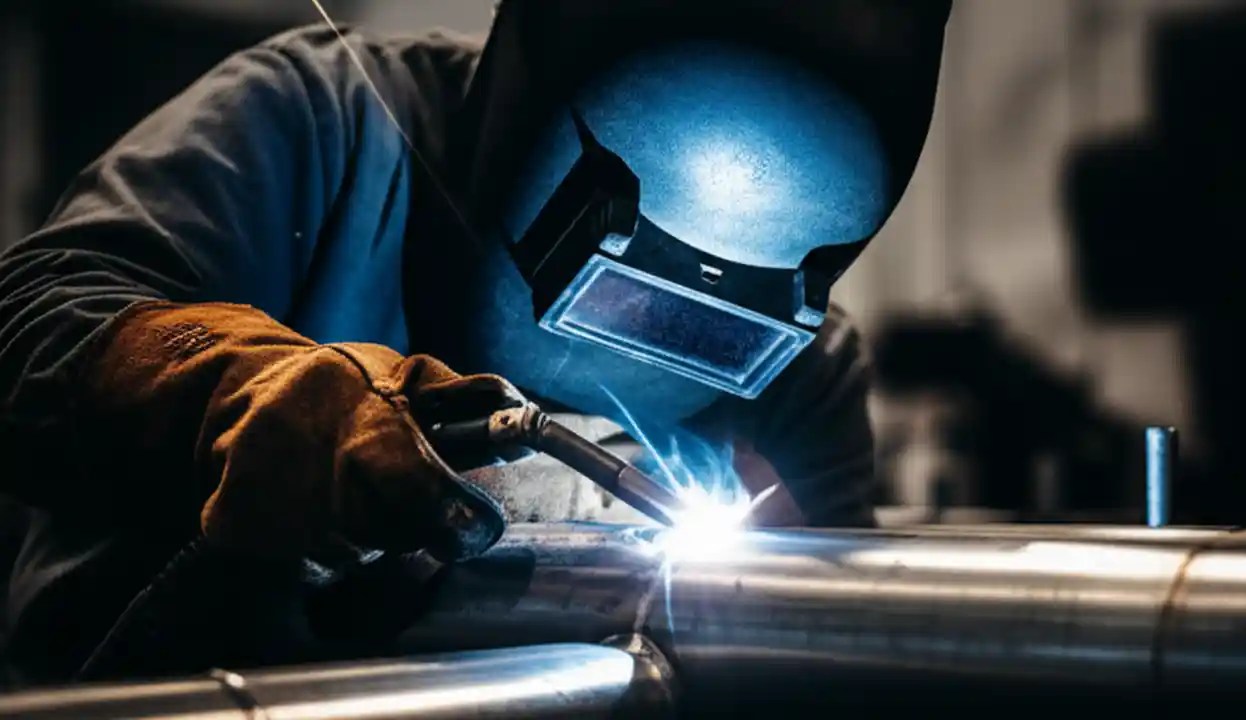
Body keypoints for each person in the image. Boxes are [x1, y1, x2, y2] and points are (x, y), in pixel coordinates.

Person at [0, 0, 949, 683]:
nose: (657, 340)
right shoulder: (320, 119)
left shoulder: (809, 376)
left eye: (720, 326)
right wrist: (231, 386)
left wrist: (782, 627)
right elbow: (38, 311)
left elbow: (837, 665)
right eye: (625, 284)